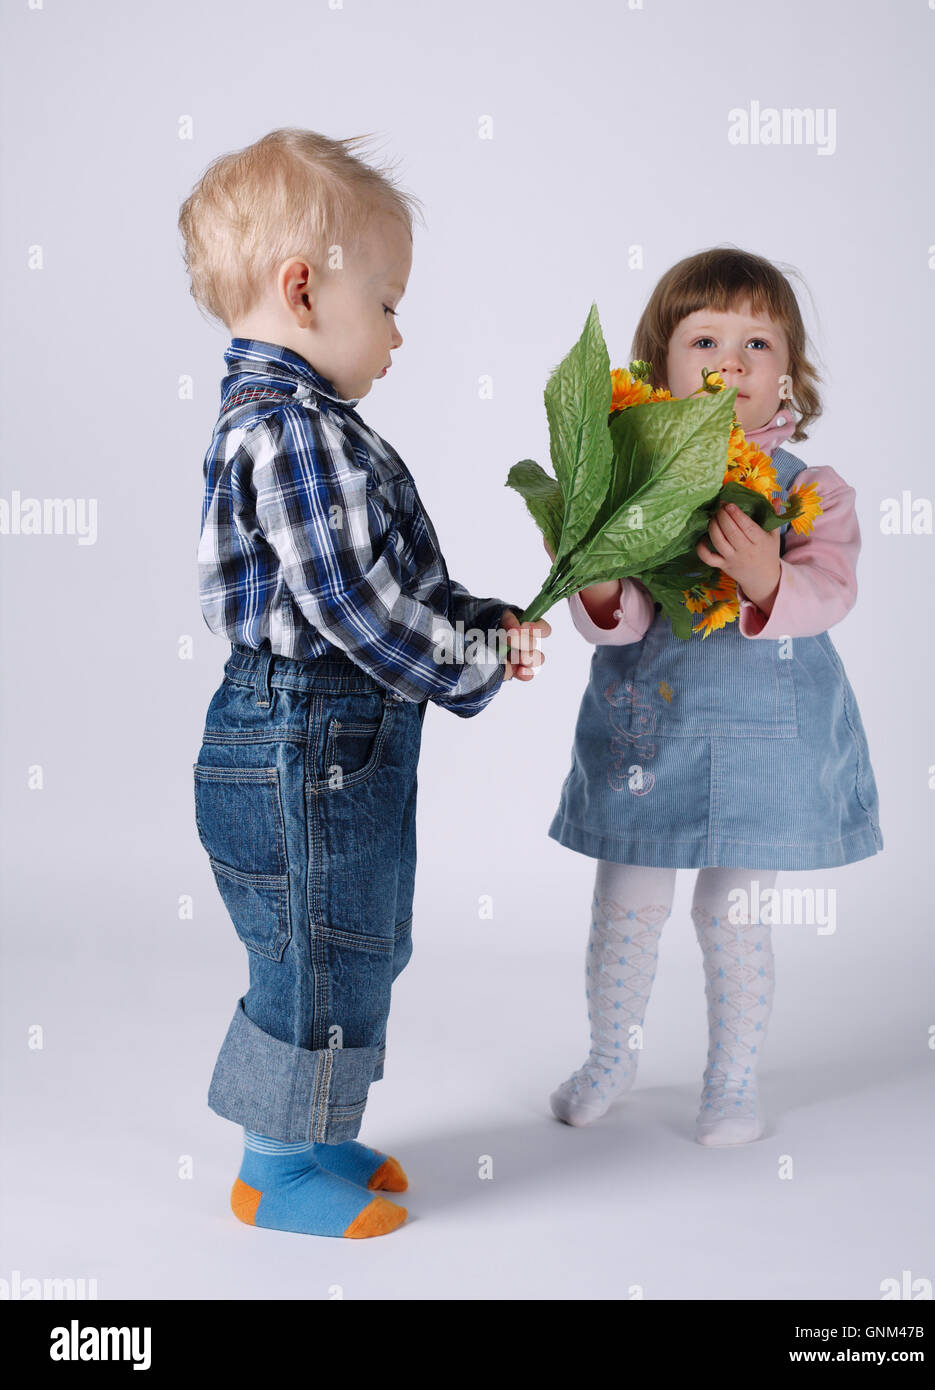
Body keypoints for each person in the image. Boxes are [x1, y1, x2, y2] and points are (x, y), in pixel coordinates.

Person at [178, 128, 550, 1238]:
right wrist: (471, 660)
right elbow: (352, 609)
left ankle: (319, 1131)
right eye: (387, 302)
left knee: (356, 939)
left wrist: (481, 620)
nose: (397, 333)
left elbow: (388, 584)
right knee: (312, 951)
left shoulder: (315, 427)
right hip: (301, 739)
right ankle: (273, 1168)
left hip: (338, 735)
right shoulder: (292, 433)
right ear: (303, 288)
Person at [547, 246, 882, 1144]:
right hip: (650, 735)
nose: (731, 361)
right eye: (704, 339)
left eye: (758, 344)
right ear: (658, 365)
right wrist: (593, 574)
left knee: (733, 916)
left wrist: (772, 575)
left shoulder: (813, 492)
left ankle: (732, 1078)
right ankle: (612, 1053)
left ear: (789, 380)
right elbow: (615, 624)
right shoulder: (639, 481)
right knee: (627, 900)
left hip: (768, 745)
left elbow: (833, 593)